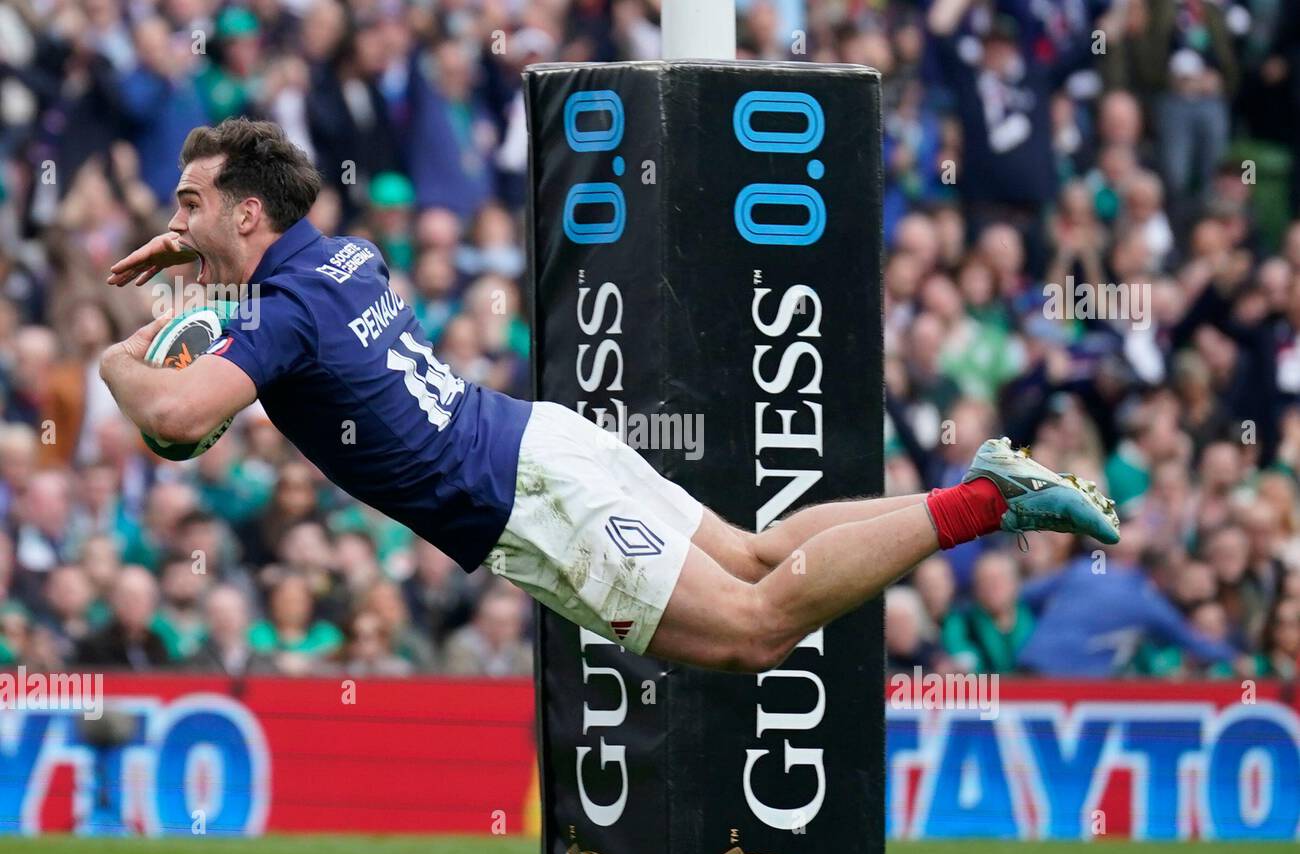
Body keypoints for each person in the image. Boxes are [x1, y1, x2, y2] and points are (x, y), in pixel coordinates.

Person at [100, 118, 1120, 674]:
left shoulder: (281, 310)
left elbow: (182, 419)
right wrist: (202, 269)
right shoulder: (346, 259)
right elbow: (273, 326)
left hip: (528, 504)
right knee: (757, 552)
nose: (175, 218)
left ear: (245, 208)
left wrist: (118, 364)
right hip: (538, 438)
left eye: (190, 202)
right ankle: (977, 488)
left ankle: (984, 502)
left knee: (757, 630)